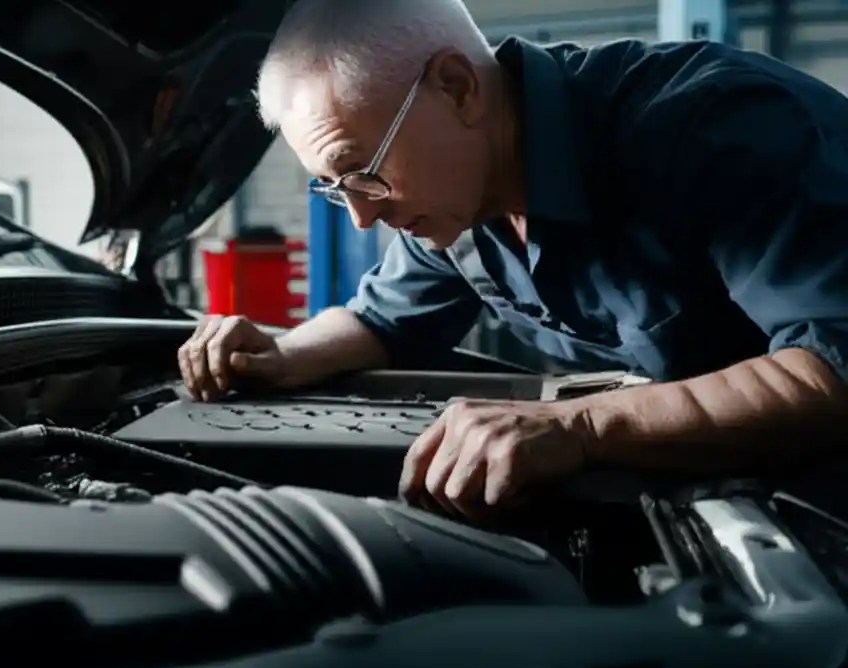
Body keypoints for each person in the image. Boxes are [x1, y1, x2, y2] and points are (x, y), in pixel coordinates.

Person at [177, 0, 848, 517]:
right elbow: (380, 321)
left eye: (364, 171)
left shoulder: (715, 127)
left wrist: (579, 427)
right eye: (334, 188)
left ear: (456, 86)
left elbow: (834, 367)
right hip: (726, 489)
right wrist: (283, 354)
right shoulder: (456, 199)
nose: (361, 213)